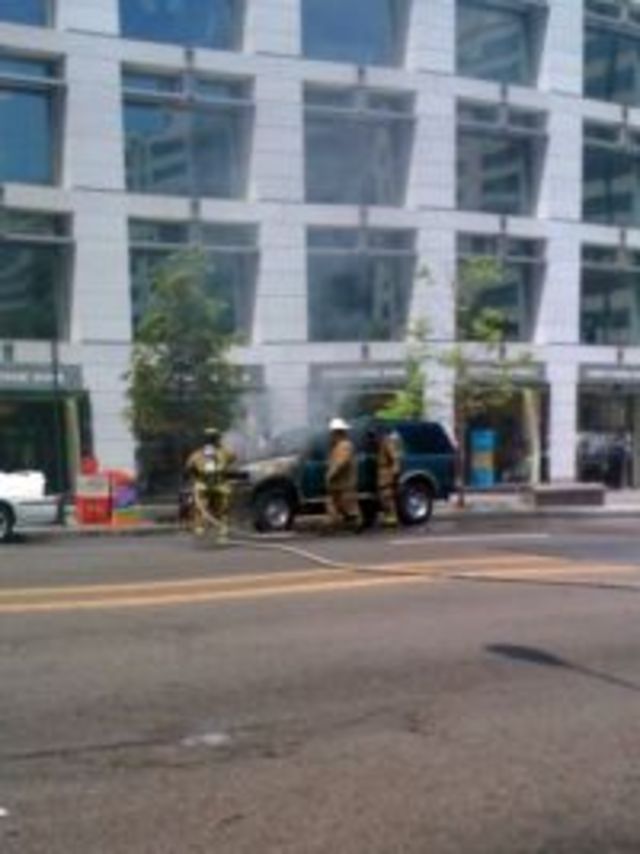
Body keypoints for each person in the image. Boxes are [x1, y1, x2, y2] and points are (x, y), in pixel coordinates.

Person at [185, 427, 236, 541]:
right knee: (215, 508)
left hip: (211, 485)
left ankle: (207, 530)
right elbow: (233, 457)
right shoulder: (222, 452)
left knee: (213, 508)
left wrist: (195, 474)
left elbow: (188, 466)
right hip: (213, 485)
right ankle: (215, 532)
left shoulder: (198, 454)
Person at [326, 417, 361, 532]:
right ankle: (334, 524)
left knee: (349, 504)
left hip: (344, 482)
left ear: (338, 432)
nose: (331, 435)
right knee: (334, 503)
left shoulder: (345, 445)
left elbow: (341, 462)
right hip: (338, 482)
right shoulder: (338, 445)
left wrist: (331, 474)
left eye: (332, 433)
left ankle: (356, 524)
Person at [377, 427, 402, 526]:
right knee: (384, 497)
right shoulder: (382, 442)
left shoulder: (387, 441)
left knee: (387, 496)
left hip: (386, 471)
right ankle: (389, 517)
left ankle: (392, 518)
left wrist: (395, 472)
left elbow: (394, 457)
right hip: (382, 471)